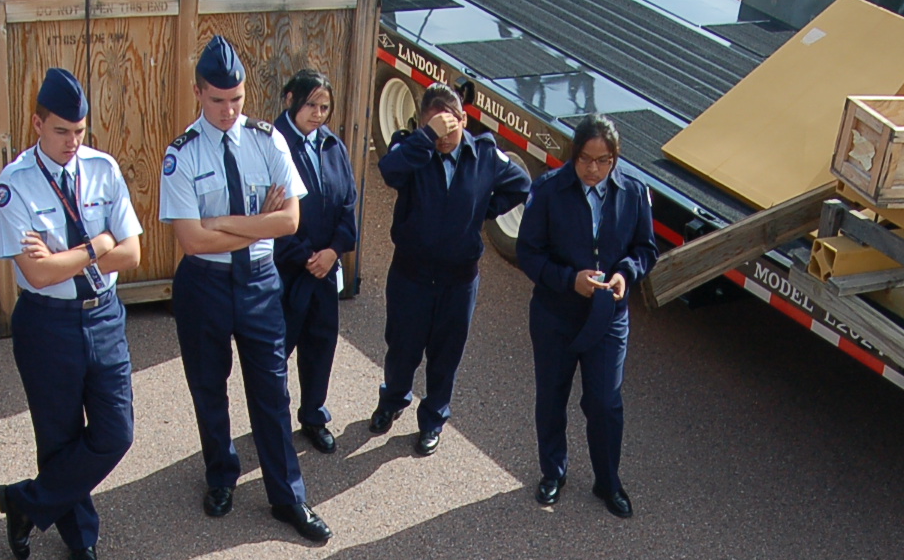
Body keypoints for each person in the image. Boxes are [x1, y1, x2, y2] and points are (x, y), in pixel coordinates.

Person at [162, 36, 330, 545]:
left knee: (271, 391)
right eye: (217, 101)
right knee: (209, 386)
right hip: (205, 285)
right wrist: (259, 221)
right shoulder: (182, 154)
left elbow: (290, 221)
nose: (229, 111)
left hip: (259, 283)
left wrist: (228, 222)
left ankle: (287, 496)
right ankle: (221, 475)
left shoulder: (266, 140)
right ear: (198, 93)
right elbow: (191, 239)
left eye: (236, 99)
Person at [0, 68, 144, 560]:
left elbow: (135, 253)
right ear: (37, 123)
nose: (72, 142)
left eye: (79, 131)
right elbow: (36, 271)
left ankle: (26, 502)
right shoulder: (14, 185)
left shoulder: (102, 169)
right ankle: (80, 539)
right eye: (61, 131)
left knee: (115, 432)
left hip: (102, 316)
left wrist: (74, 255)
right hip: (47, 324)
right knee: (58, 437)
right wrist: (98, 245)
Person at [368, 82, 528, 457]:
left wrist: (480, 212)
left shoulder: (484, 154)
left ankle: (433, 420)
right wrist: (426, 137)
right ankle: (392, 401)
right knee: (402, 347)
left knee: (445, 355)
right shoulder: (411, 148)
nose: (443, 137)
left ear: (464, 120)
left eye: (450, 127)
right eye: (435, 127)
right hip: (411, 275)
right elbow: (389, 171)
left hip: (458, 281)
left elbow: (520, 185)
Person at [514, 115, 656, 518]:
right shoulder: (548, 190)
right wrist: (566, 279)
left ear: (615, 159)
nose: (593, 169)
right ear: (573, 156)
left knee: (605, 402)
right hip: (556, 314)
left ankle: (607, 481)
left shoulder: (632, 191)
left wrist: (626, 273)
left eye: (604, 161)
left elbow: (646, 249)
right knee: (552, 395)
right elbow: (528, 253)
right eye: (585, 160)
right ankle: (553, 472)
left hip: (607, 316)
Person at [272, 70, 359, 457]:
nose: (319, 113)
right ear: (290, 99)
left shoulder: (332, 146)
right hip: (287, 272)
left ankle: (312, 416)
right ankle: (270, 422)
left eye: (325, 107)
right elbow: (267, 214)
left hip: (325, 270)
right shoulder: (271, 146)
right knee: (275, 354)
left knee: (320, 346)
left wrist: (332, 252)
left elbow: (347, 204)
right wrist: (306, 255)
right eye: (311, 104)